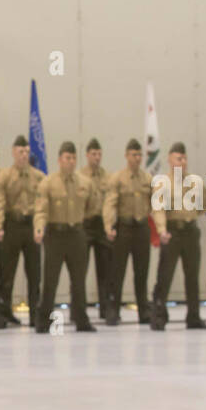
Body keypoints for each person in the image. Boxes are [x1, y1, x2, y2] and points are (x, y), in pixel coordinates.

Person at [33, 142, 98, 332]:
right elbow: (41, 210)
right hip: (55, 234)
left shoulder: (85, 183)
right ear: (60, 160)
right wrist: (39, 228)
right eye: (67, 158)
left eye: (73, 158)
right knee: (50, 280)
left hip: (76, 234)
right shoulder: (48, 183)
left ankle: (81, 319)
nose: (70, 162)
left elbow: (93, 206)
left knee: (79, 280)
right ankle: (43, 320)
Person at [150, 142, 206, 331]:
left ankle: (193, 316)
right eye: (179, 158)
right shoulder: (162, 183)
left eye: (184, 158)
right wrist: (162, 230)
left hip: (190, 232)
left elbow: (202, 207)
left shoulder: (195, 182)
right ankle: (159, 317)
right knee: (165, 276)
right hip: (172, 232)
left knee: (192, 276)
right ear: (170, 160)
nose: (182, 162)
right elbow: (158, 209)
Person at [0, 135, 43, 328]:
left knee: (34, 272)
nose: (24, 155)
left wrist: (40, 227)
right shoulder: (4, 176)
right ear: (13, 152)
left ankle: (35, 314)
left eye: (27, 152)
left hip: (30, 227)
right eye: (20, 151)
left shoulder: (38, 177)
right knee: (6, 273)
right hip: (12, 226)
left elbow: (41, 204)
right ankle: (3, 314)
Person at [103, 139, 153, 324]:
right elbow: (110, 203)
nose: (137, 158)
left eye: (139, 155)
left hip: (141, 228)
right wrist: (108, 225)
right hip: (123, 229)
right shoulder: (118, 178)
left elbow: (155, 204)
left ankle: (144, 311)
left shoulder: (147, 178)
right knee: (117, 273)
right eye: (133, 154)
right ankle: (113, 310)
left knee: (142, 272)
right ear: (126, 156)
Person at [79, 138, 114, 324]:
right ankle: (79, 309)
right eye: (93, 154)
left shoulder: (107, 177)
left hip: (102, 225)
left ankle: (106, 308)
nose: (97, 157)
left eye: (99, 154)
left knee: (105, 270)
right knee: (80, 269)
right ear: (87, 155)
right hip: (85, 224)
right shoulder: (80, 176)